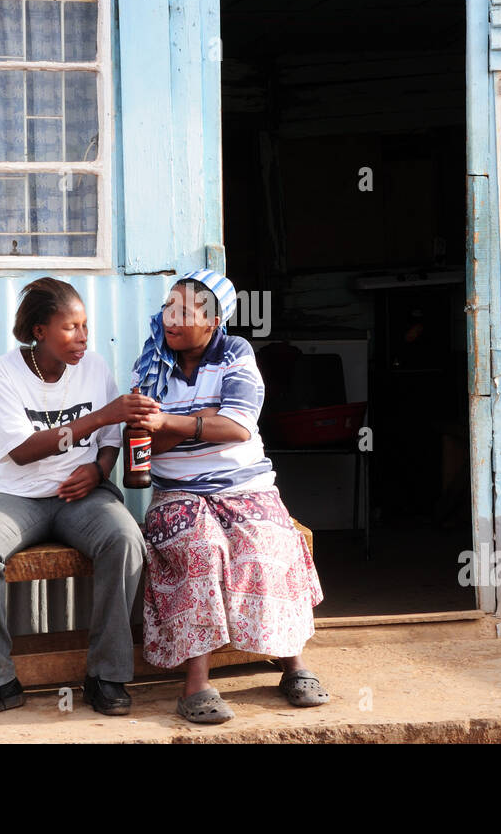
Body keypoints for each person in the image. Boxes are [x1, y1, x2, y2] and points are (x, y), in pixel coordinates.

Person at [0, 278, 159, 718]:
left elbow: (110, 438)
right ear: (40, 331)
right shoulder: (4, 371)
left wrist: (98, 470)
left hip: (81, 497)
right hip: (19, 496)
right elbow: (23, 452)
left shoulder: (95, 366)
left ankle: (105, 676)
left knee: (125, 539)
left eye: (85, 327)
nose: (82, 337)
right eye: (71, 328)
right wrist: (101, 415)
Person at [130, 269, 328, 724]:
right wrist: (203, 419)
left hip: (245, 487)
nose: (170, 319)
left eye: (184, 311)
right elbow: (144, 445)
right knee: (201, 548)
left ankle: (292, 663)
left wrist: (174, 423)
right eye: (167, 307)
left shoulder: (236, 353)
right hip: (176, 491)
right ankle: (196, 683)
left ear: (214, 322)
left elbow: (239, 427)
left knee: (266, 545)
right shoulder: (151, 362)